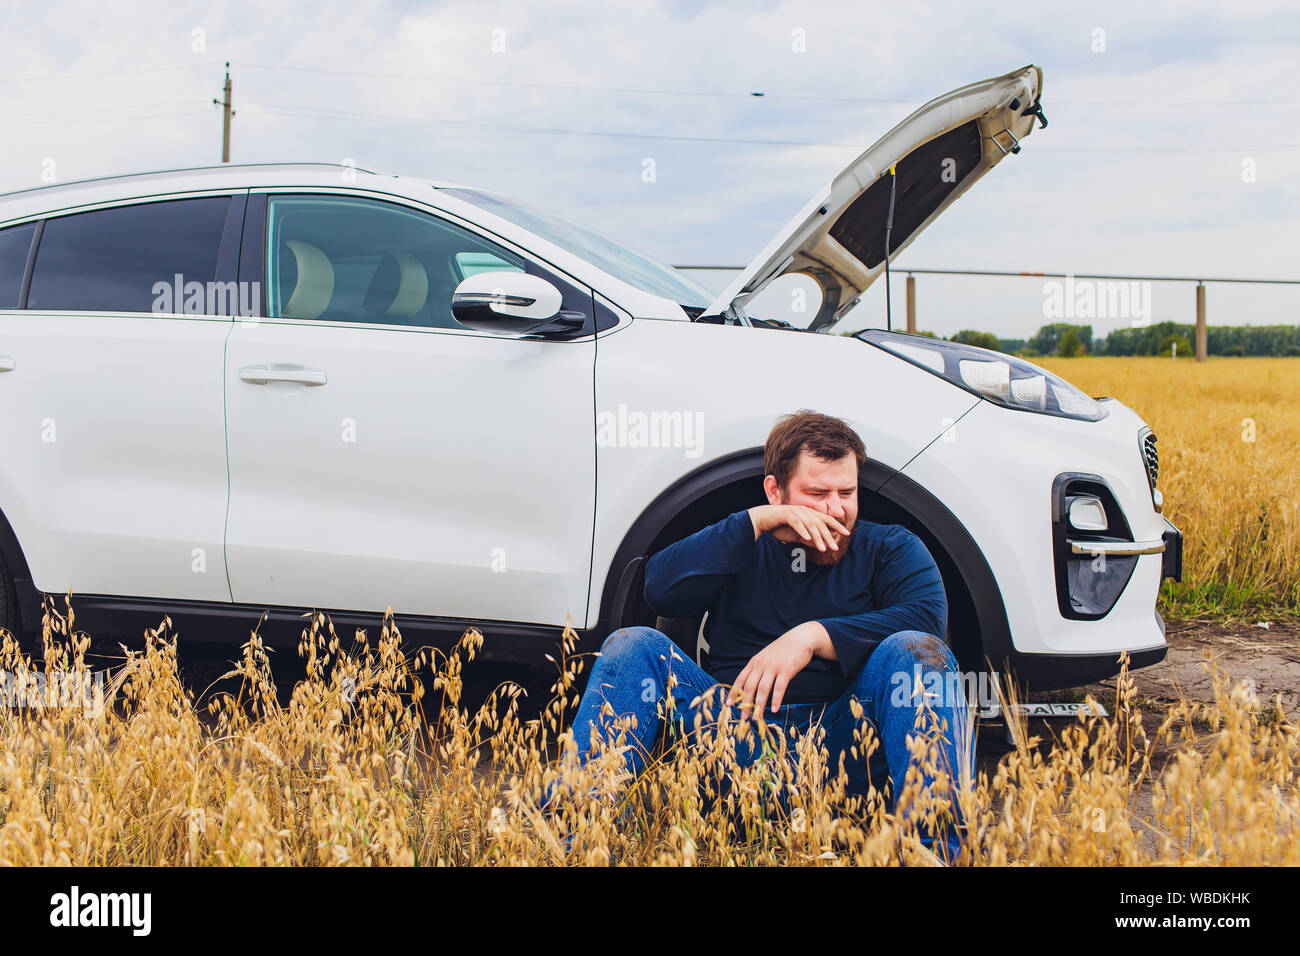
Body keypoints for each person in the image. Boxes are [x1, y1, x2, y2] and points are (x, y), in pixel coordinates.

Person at [557, 410, 976, 860]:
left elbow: (927, 627)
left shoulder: (892, 547)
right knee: (633, 644)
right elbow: (659, 590)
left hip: (843, 749)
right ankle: (577, 841)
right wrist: (751, 524)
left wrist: (812, 636)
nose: (837, 509)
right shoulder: (742, 540)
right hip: (733, 743)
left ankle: (938, 854)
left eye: (847, 492)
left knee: (915, 652)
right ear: (776, 491)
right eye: (817, 493)